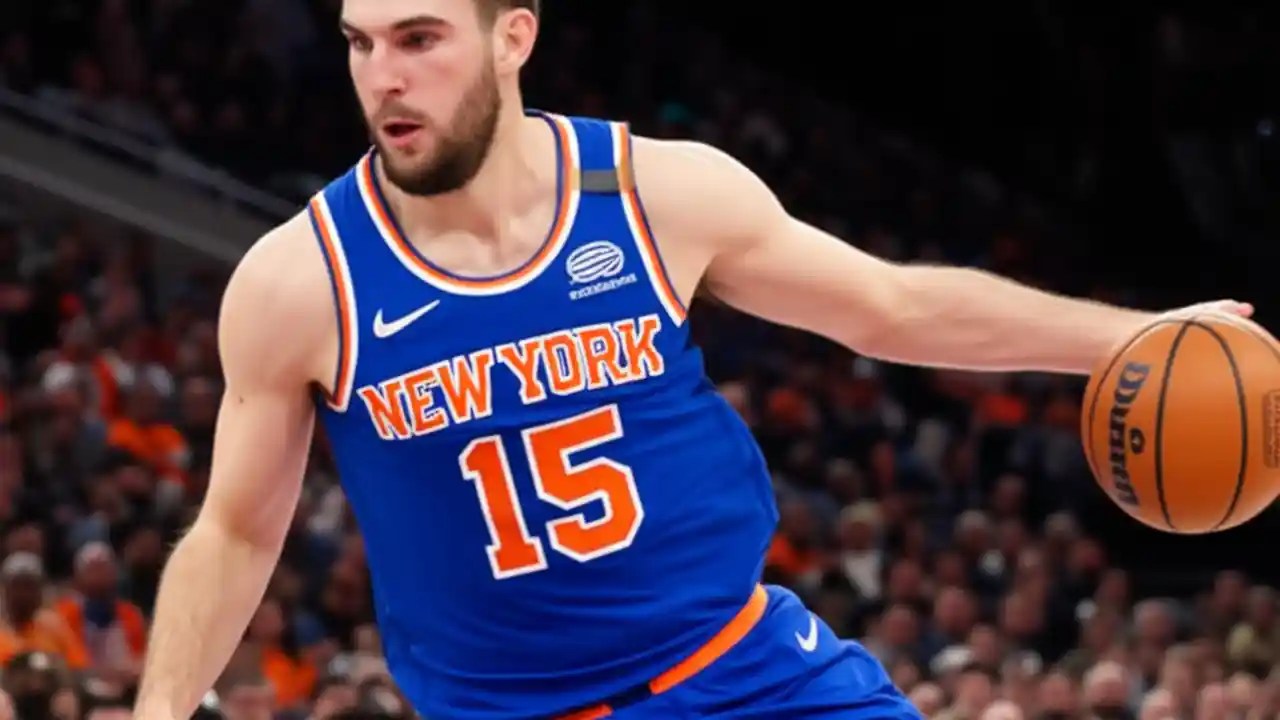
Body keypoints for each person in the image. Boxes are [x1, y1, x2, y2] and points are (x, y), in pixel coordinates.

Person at [131, 0, 1252, 718]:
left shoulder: (651, 193)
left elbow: (890, 306)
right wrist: (158, 713)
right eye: (359, 43)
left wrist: (1126, 334)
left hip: (747, 674)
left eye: (419, 39)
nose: (384, 77)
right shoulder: (302, 280)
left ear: (511, 36)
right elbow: (234, 530)